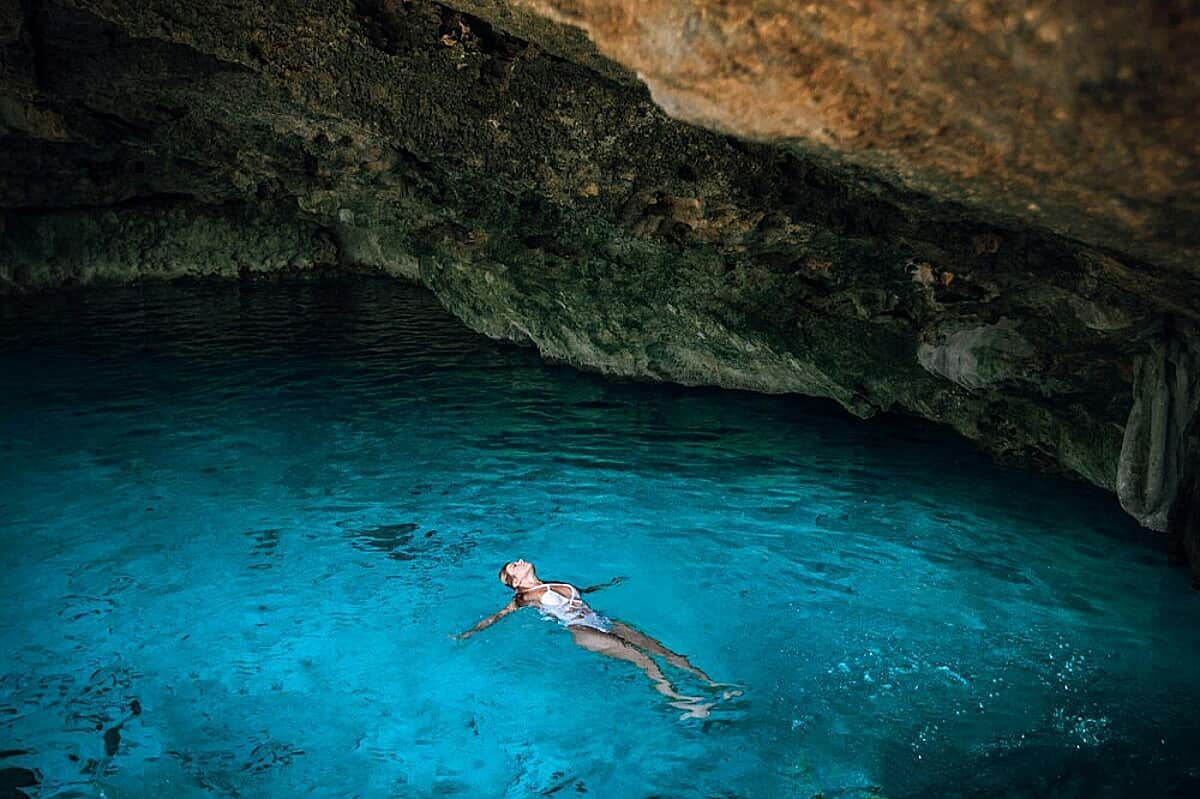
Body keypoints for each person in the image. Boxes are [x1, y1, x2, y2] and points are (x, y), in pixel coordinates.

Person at [453, 559, 738, 718]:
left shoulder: (554, 582)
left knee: (667, 652)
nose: (518, 561)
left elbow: (583, 592)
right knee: (642, 659)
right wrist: (467, 634)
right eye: (512, 566)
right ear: (514, 582)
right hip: (582, 631)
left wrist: (611, 584)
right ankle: (683, 703)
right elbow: (496, 616)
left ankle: (714, 685)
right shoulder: (523, 597)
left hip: (601, 620)